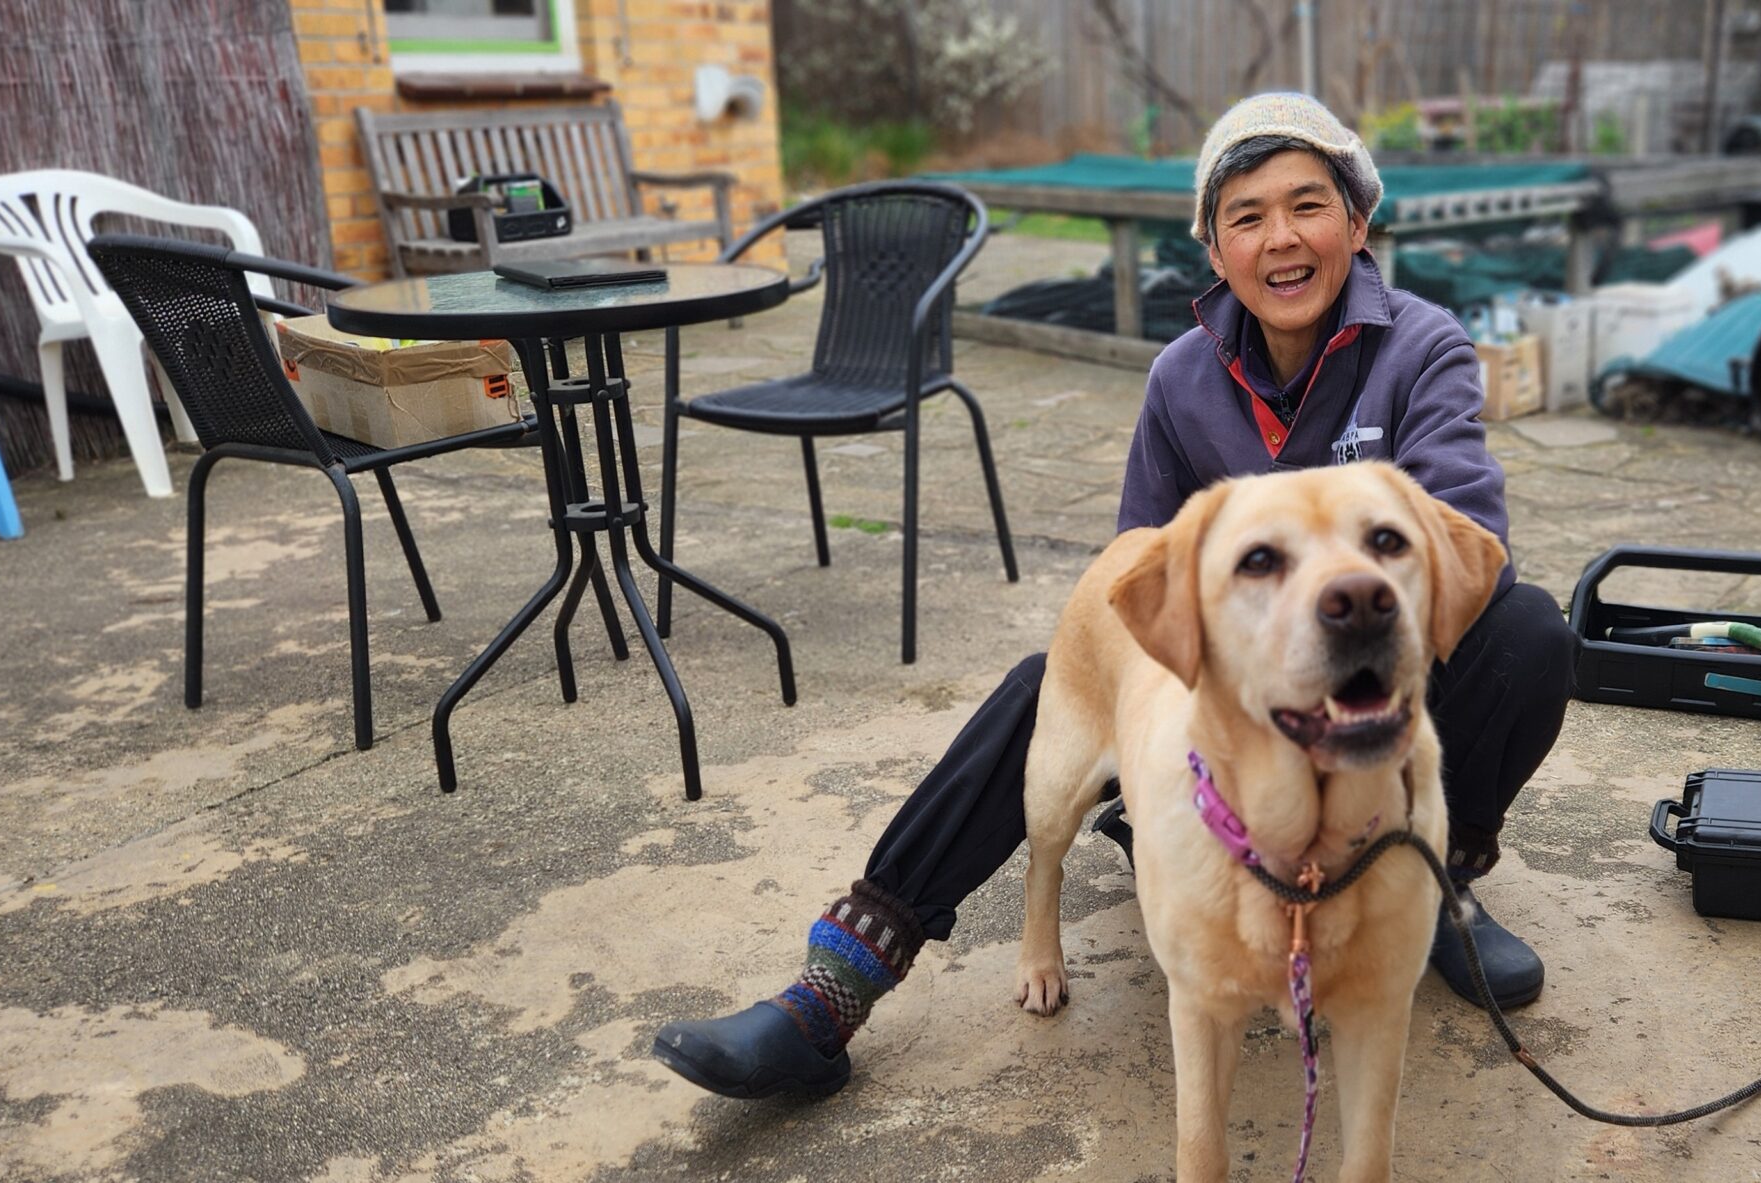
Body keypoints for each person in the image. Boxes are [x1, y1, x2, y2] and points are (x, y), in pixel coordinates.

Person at [652, 93, 1580, 1101]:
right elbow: (1130, 571)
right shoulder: (1183, 377)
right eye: (1246, 215)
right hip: (1234, 728)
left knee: (1525, 628)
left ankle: (1437, 885)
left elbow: (1466, 535)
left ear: (1357, 225)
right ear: (1213, 250)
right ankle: (838, 982)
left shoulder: (1420, 347)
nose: (1281, 238)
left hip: (1374, 706)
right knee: (1043, 679)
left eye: (1308, 206)